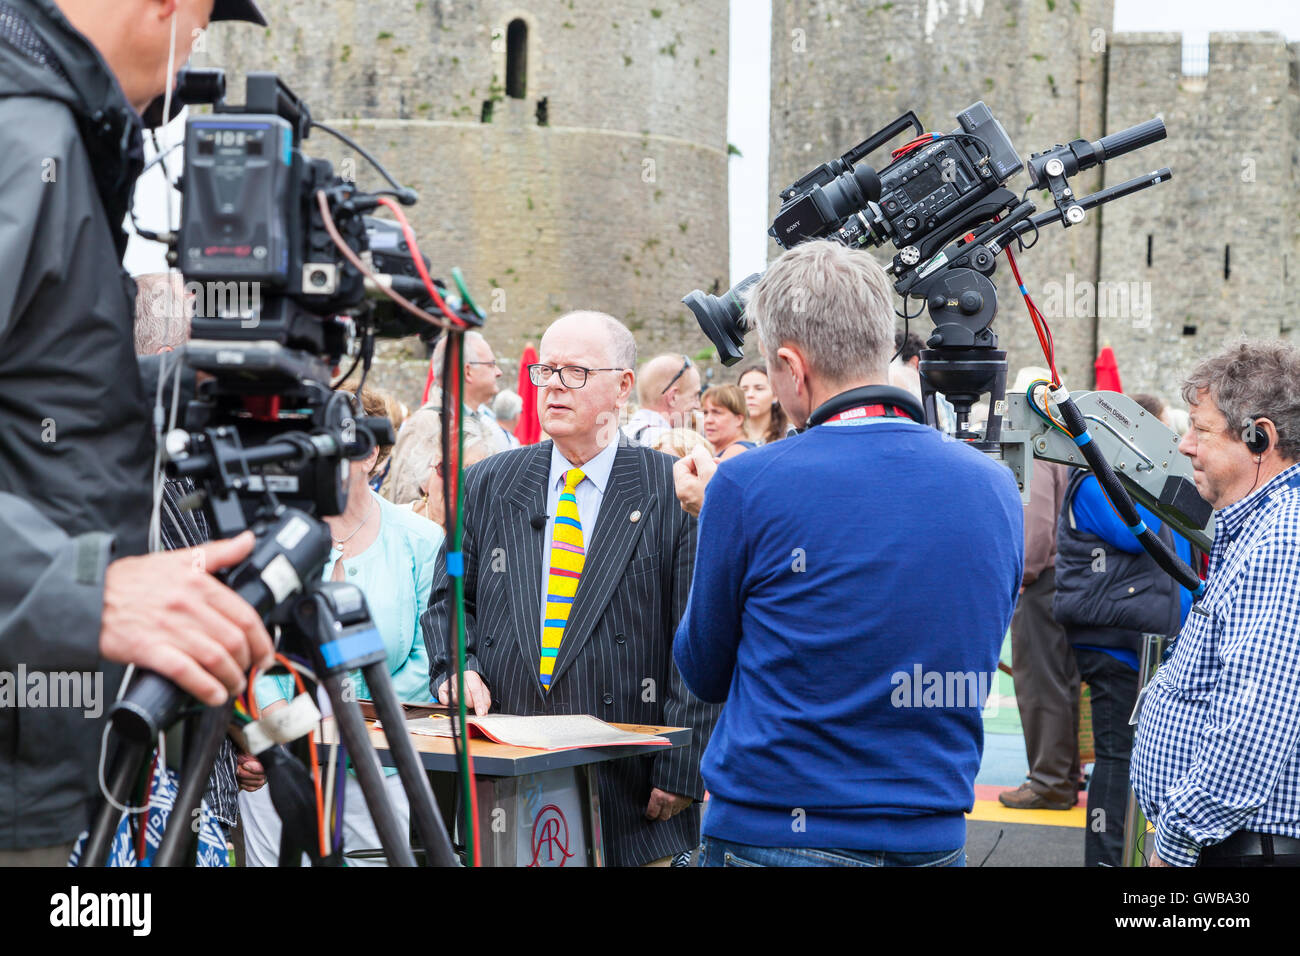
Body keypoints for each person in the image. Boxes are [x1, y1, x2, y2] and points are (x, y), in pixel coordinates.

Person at [0, 0, 272, 865]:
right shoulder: (24, 133)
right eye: (205, 17)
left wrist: (199, 380)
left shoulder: (50, 127)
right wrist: (86, 592)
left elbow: (48, 391)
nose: (197, 45)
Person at [673, 239, 1023, 867]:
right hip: (930, 832)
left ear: (792, 365)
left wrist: (714, 521)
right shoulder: (993, 484)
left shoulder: (748, 483)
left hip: (774, 831)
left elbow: (703, 668)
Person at [421, 311, 719, 867]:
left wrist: (682, 769)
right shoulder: (491, 481)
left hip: (630, 798)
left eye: (575, 373)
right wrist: (456, 667)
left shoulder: (672, 488)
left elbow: (698, 638)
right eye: (546, 371)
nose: (553, 385)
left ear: (623, 386)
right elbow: (450, 600)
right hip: (508, 787)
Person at [239, 386, 446, 866]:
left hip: (376, 767)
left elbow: (425, 657)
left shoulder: (419, 539)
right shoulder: (273, 534)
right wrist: (280, 735)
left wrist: (349, 721)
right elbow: (253, 649)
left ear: (371, 452)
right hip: (279, 762)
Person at [1132, 341, 1300, 867]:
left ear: (1259, 438)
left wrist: (1177, 842)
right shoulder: (1259, 529)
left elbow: (1254, 728)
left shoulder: (1281, 542)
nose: (1184, 446)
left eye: (1200, 431)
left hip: (1246, 851)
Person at [1052, 393, 1191, 867]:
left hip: (1139, 641)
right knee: (1117, 757)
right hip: (1117, 646)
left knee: (1135, 757)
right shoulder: (1097, 483)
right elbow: (1141, 529)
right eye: (1165, 436)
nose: (1177, 447)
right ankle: (1109, 859)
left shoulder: (1120, 481)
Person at [999, 368, 1078, 812]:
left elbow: (1035, 529)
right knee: (1058, 682)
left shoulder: (1028, 447)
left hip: (1039, 580)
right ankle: (1061, 775)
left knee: (1039, 685)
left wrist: (1020, 578)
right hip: (1059, 577)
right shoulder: (1059, 443)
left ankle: (1048, 780)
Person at [381, 330, 505, 505]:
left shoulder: (480, 421)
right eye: (491, 364)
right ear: (468, 371)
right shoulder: (426, 424)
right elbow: (408, 506)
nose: (499, 372)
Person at [622, 353, 701, 446]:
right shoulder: (672, 447)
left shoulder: (617, 437)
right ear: (672, 398)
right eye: (695, 396)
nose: (698, 405)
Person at [736, 366, 790, 445]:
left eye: (759, 388)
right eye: (744, 390)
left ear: (775, 395)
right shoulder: (723, 436)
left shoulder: (791, 435)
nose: (750, 395)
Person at [699, 384, 754, 460]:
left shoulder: (737, 452)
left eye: (717, 412)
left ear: (738, 419)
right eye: (705, 413)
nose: (708, 420)